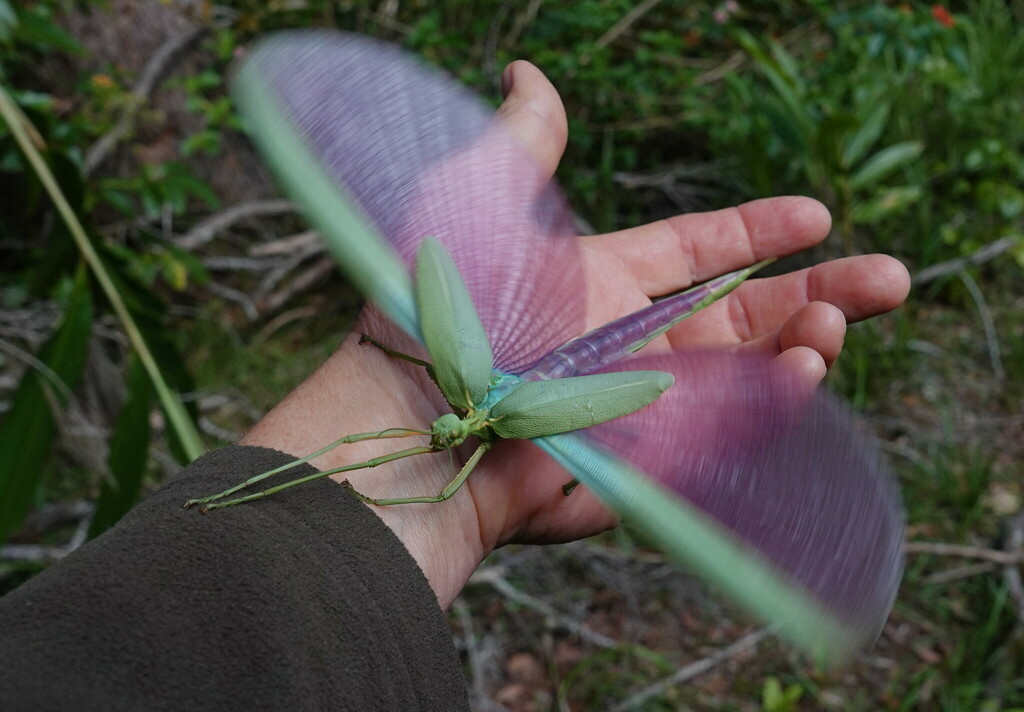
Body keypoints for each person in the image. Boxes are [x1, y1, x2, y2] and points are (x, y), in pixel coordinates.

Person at [0, 61, 910, 711]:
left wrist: (403, 383)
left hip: (535, 389)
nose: (440, 443)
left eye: (446, 436)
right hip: (516, 384)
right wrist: (386, 369)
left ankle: (714, 287)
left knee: (672, 348)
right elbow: (423, 413)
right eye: (446, 436)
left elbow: (440, 457)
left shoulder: (474, 423)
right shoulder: (458, 409)